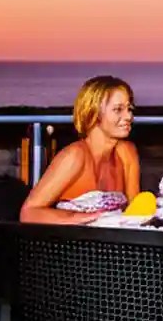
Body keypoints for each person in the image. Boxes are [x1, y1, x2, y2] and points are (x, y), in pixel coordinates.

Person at [20, 75, 141, 224]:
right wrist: (85, 219)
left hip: (114, 242)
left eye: (129, 109)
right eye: (118, 110)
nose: (128, 116)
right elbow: (29, 213)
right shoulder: (74, 156)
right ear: (92, 112)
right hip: (74, 242)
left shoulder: (126, 153)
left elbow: (135, 213)